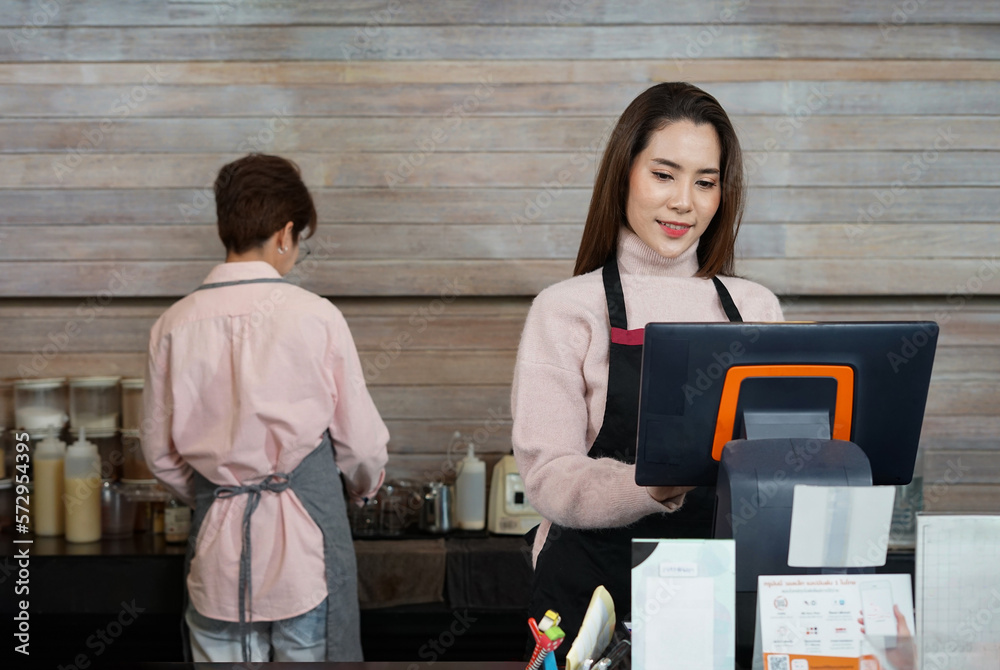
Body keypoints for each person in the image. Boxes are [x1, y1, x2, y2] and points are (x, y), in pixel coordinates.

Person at [511, 82, 784, 656]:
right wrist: (653, 486)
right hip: (593, 593)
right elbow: (550, 478)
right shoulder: (566, 309)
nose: (685, 201)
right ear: (624, 176)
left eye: (705, 182)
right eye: (664, 174)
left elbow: (779, 458)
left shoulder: (755, 308)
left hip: (722, 589)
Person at [142, 154, 389, 663]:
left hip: (216, 558)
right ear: (285, 232)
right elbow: (362, 448)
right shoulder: (316, 317)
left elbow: (159, 455)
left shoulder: (172, 325)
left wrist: (220, 494)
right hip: (306, 557)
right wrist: (363, 491)